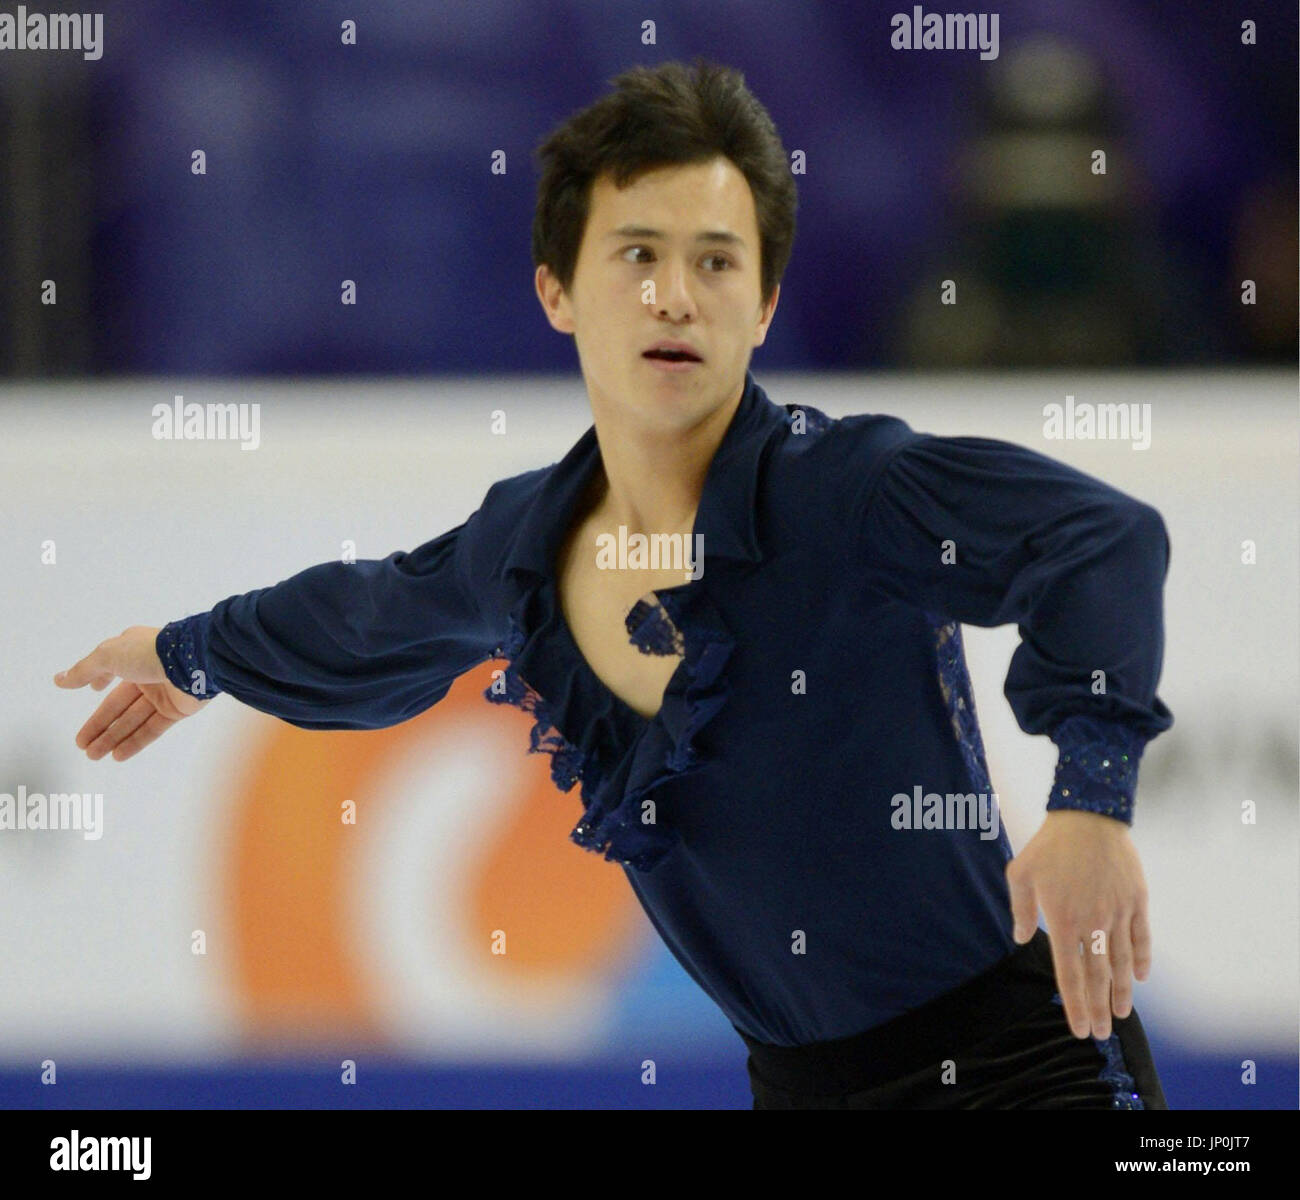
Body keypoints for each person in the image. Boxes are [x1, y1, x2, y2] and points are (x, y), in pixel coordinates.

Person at [54, 59, 1172, 1109]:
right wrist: (191, 654)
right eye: (637, 254)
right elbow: (368, 615)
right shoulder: (527, 546)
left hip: (1025, 1070)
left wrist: (1090, 796)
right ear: (557, 291)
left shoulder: (852, 491)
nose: (675, 297)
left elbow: (1098, 539)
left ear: (766, 304)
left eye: (717, 261)